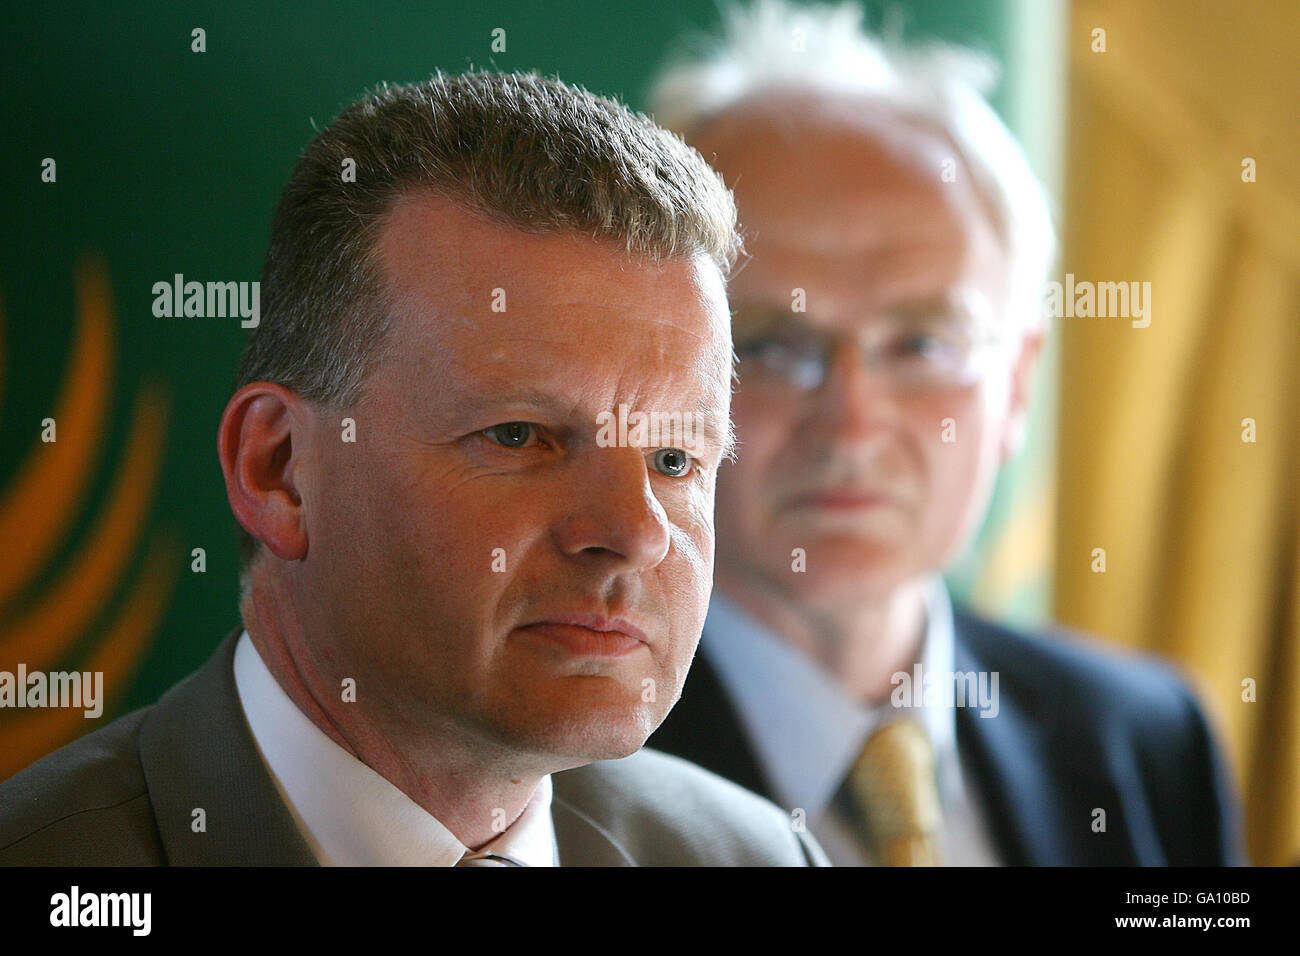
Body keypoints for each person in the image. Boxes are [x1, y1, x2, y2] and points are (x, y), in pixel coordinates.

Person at [0, 71, 827, 867]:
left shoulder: (757, 856)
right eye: (519, 436)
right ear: (279, 471)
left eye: (675, 457)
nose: (634, 534)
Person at [645, 0, 1243, 865]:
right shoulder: (550, 761)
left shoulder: (1147, 740)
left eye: (923, 344)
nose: (851, 425)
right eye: (771, 345)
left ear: (1018, 387)